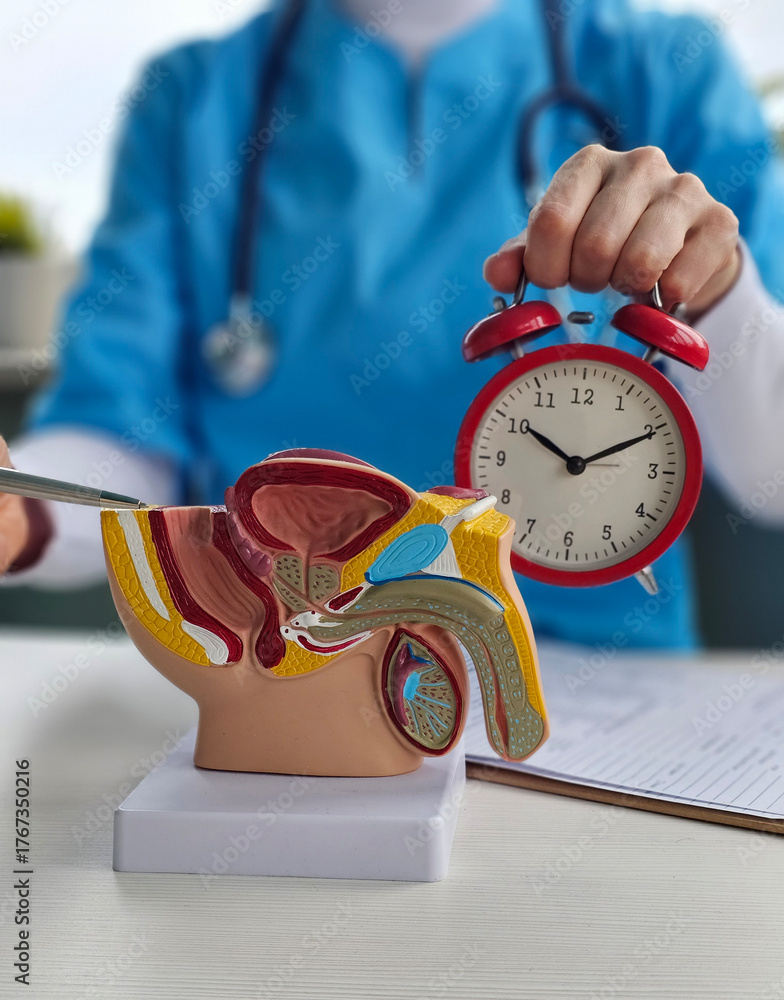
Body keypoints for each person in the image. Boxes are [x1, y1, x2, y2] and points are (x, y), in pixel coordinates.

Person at [2, 0, 784, 650]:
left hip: (602, 682)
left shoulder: (664, 66)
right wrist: (20, 515)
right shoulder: (193, 99)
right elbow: (123, 442)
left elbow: (772, 477)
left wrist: (719, 290)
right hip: (278, 673)